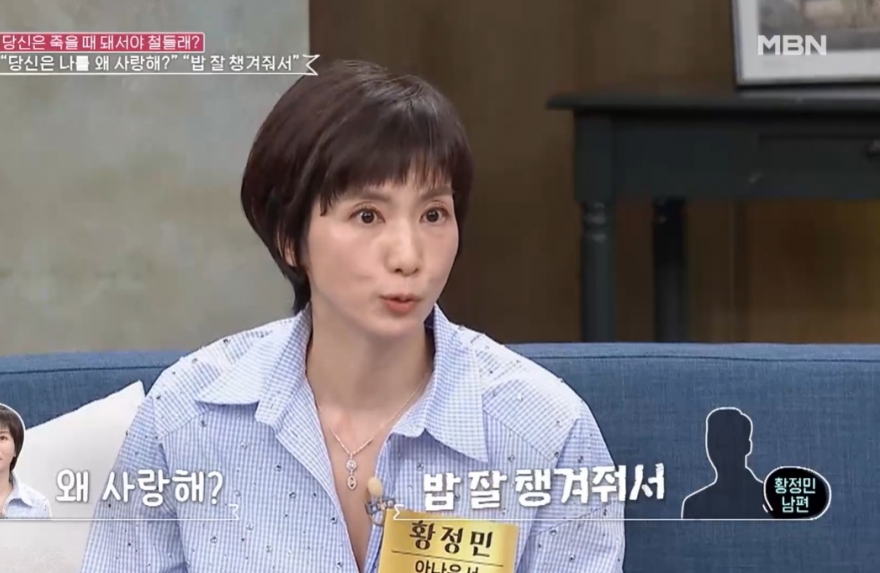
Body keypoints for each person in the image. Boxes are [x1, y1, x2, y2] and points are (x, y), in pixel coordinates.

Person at [80, 59, 624, 572]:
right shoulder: (185, 416)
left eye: (434, 214)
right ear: (289, 237)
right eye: (367, 215)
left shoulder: (546, 431)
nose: (408, 257)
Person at [682, 407, 767, 519]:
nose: (720, 452)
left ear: (747, 446)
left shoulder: (770, 500)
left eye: (728, 442)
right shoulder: (695, 506)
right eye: (715, 443)